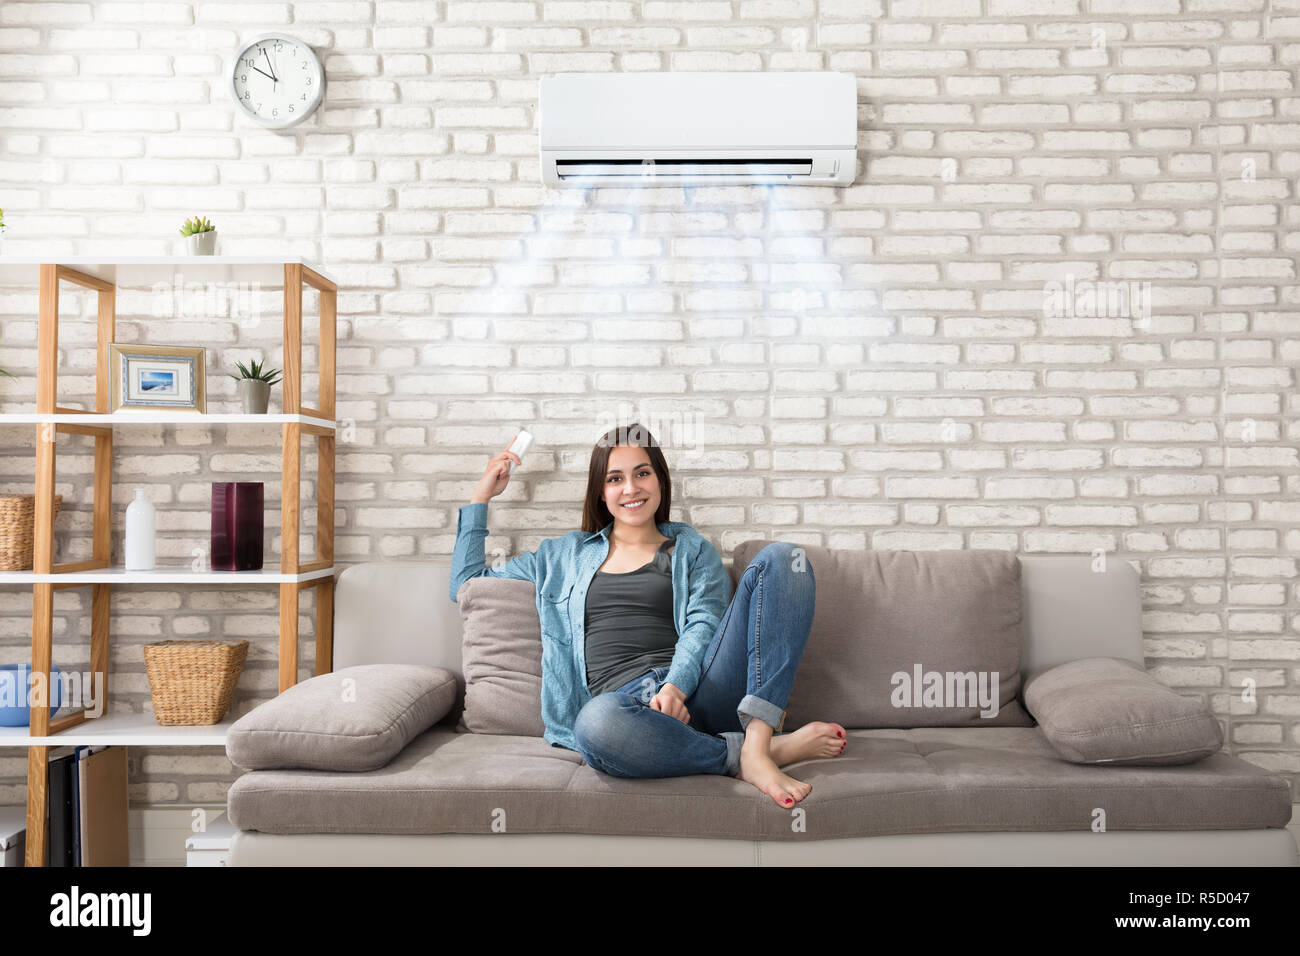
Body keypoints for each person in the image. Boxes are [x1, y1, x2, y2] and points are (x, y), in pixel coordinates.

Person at [449, 422, 845, 808]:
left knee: (784, 559)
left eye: (642, 473)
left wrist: (673, 688)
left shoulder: (690, 549)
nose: (631, 488)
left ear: (659, 480)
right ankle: (750, 753)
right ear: (601, 493)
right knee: (596, 725)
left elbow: (704, 625)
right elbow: (467, 585)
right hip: (627, 713)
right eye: (615, 478)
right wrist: (482, 497)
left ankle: (758, 747)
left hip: (701, 692)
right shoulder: (563, 555)